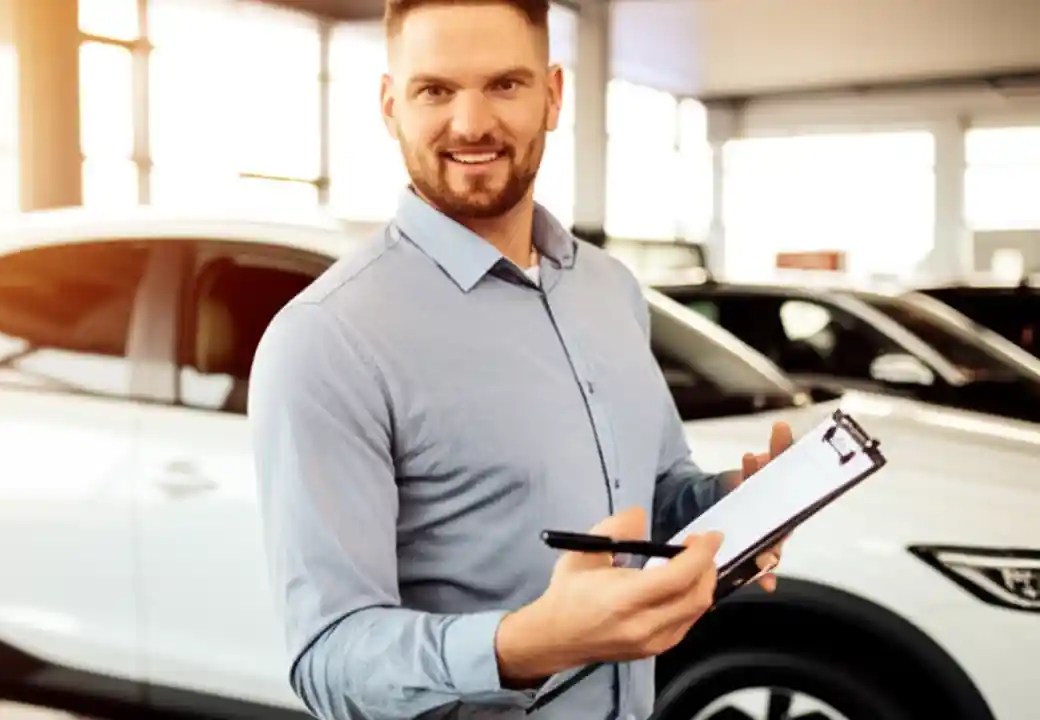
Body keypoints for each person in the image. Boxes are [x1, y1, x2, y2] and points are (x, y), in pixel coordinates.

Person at [248, 1, 792, 718]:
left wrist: (734, 506)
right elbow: (327, 659)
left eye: (504, 84)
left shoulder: (609, 288)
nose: (470, 123)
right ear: (390, 105)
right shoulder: (327, 338)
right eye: (434, 90)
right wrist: (522, 644)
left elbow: (651, 495)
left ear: (554, 95)